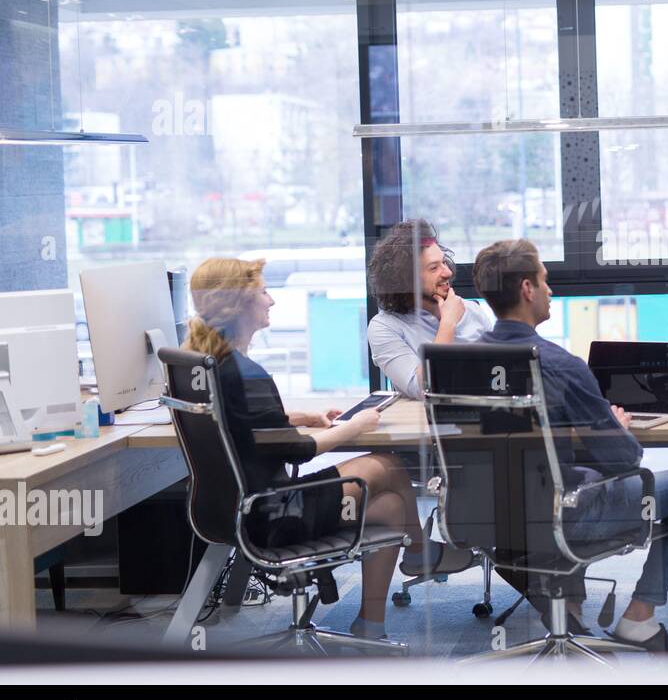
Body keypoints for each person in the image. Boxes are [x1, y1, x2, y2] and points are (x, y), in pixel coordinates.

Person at [185, 257, 474, 641]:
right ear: (238, 305)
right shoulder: (246, 372)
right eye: (263, 293)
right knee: (386, 465)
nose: (270, 301)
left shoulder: (210, 363)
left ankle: (371, 624)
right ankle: (422, 555)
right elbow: (297, 451)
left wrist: (298, 415)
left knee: (389, 510)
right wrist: (354, 426)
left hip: (233, 511)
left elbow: (242, 421)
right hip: (273, 513)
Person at [473, 239, 668, 652]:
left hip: (488, 516)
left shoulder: (461, 362)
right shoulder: (560, 364)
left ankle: (571, 611)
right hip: (564, 515)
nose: (551, 290)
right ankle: (641, 616)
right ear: (527, 289)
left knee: (574, 474)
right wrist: (613, 426)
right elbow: (626, 459)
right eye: (545, 281)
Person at [367, 218, 493, 399]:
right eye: (434, 268)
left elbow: (499, 378)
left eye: (444, 262)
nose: (447, 272)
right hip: (424, 423)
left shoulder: (472, 311)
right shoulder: (385, 327)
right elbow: (423, 389)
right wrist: (448, 324)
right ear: (407, 279)